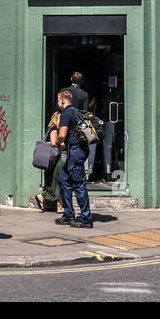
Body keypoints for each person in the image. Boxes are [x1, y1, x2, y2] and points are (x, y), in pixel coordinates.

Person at [55, 88, 92, 228]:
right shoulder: (76, 112)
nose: (57, 103)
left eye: (58, 101)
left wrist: (59, 142)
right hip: (80, 150)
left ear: (63, 101)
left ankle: (86, 218)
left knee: (78, 184)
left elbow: (62, 134)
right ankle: (69, 214)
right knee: (63, 180)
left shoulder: (65, 114)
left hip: (76, 151)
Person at [33, 110, 65, 214]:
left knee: (51, 182)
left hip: (49, 161)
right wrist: (62, 144)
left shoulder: (50, 128)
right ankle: (59, 206)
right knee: (58, 182)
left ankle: (43, 197)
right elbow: (53, 142)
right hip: (54, 160)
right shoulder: (54, 129)